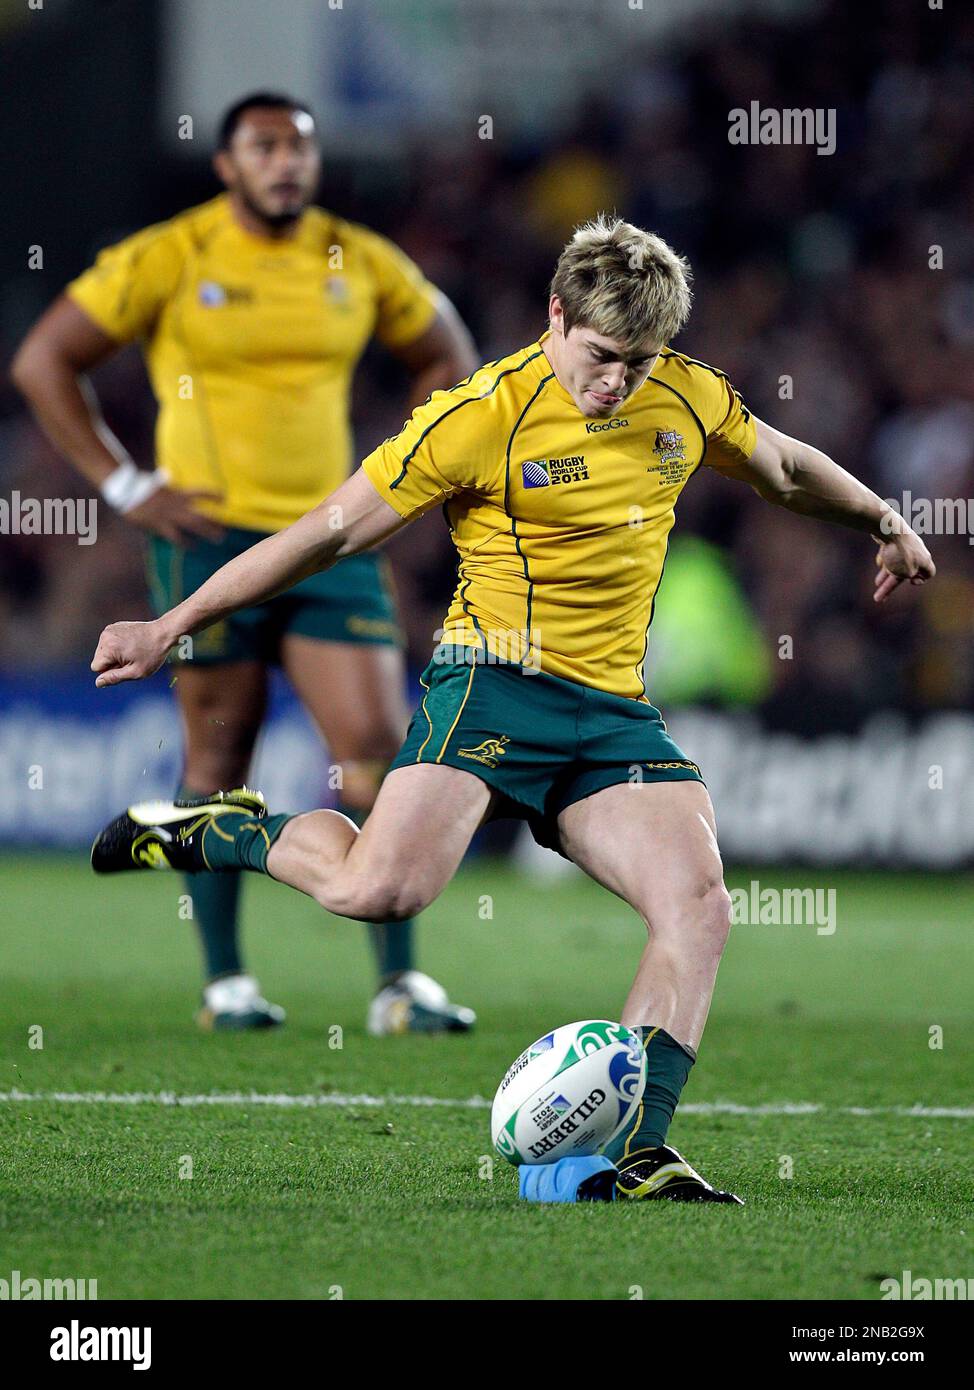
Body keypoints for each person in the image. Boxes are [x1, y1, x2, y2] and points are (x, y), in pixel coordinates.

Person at [86, 214, 934, 1200]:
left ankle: (640, 1152)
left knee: (696, 907)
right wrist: (171, 623)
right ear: (554, 317)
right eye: (601, 356)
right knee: (378, 890)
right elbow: (321, 536)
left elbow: (784, 468)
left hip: (609, 716)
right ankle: (226, 830)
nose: (617, 381)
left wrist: (879, 516)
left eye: (640, 359)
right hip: (489, 687)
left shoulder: (685, 397)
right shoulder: (479, 415)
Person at [12, 92, 478, 1036]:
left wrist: (399, 468)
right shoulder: (171, 254)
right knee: (219, 758)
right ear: (225, 165)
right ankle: (226, 982)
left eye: (299, 148)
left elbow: (447, 352)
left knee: (375, 752)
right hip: (207, 543)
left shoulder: (358, 257)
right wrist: (123, 482)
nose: (286, 163)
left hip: (328, 543)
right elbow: (43, 360)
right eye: (263, 148)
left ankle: (397, 987)